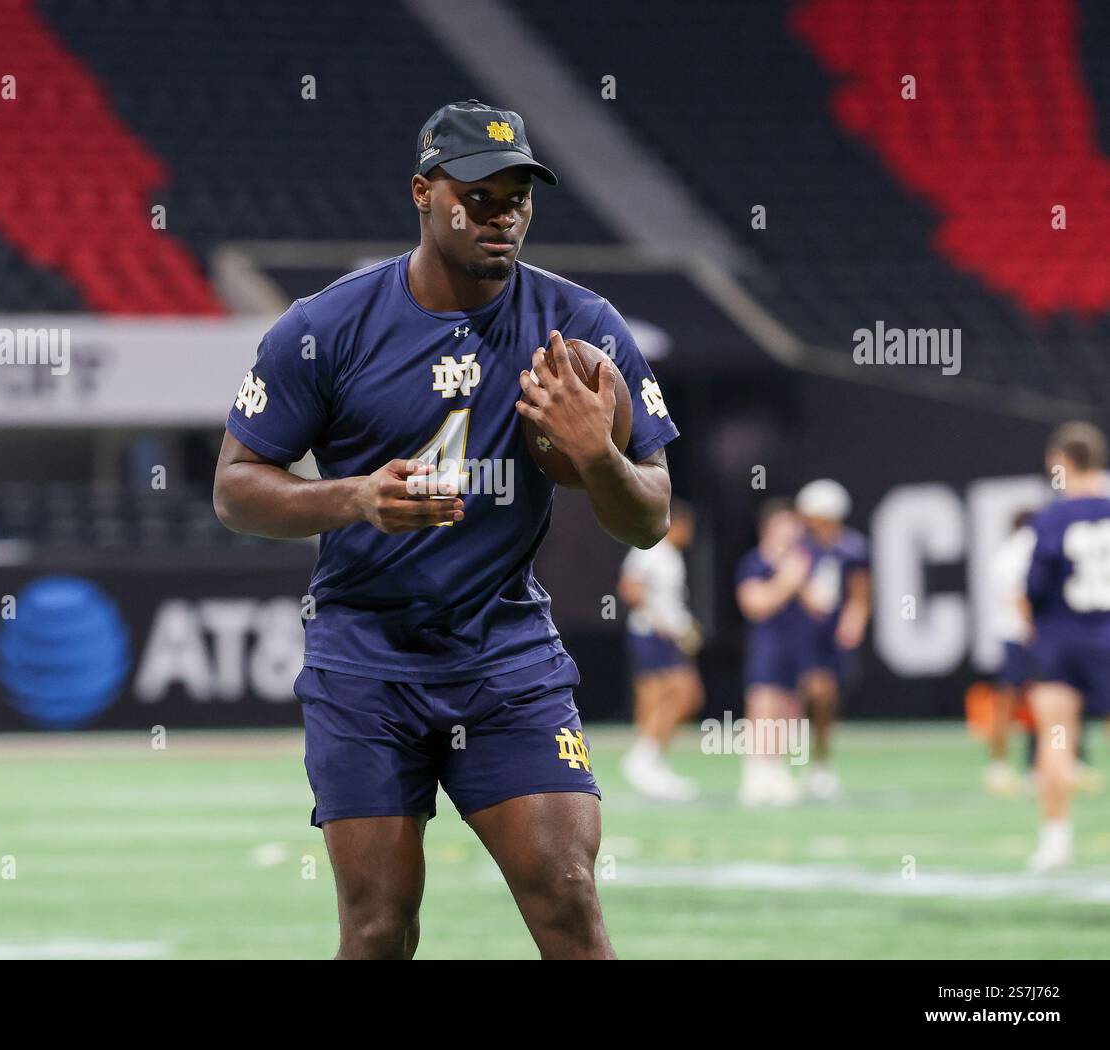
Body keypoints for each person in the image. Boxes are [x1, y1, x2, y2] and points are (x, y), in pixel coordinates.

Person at [213, 99, 679, 957]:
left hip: (506, 657)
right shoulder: (325, 327)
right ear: (424, 194)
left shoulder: (582, 331)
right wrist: (351, 498)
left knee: (570, 904)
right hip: (365, 659)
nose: (504, 216)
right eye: (480, 196)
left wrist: (599, 457)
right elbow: (236, 489)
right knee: (380, 927)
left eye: (519, 197)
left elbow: (648, 518)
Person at [1024, 421, 1110, 871]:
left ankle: (1055, 840)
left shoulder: (1054, 516)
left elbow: (1035, 586)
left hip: (1062, 639)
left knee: (1056, 739)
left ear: (1062, 462)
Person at [617, 499, 704, 801]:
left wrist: (682, 625)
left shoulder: (671, 556)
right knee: (672, 695)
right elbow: (630, 587)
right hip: (651, 634)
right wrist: (663, 621)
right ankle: (644, 761)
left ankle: (650, 760)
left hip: (667, 635)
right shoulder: (650, 549)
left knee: (681, 696)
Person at [794, 479, 870, 800]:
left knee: (826, 695)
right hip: (800, 629)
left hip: (831, 630)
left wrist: (854, 621)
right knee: (805, 692)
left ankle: (820, 762)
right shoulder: (799, 547)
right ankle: (781, 762)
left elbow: (861, 592)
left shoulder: (851, 547)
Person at [735, 500, 812, 806]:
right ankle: (756, 771)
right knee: (764, 705)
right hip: (768, 645)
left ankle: (777, 768)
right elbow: (755, 604)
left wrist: (799, 578)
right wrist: (787, 581)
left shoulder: (801, 561)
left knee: (790, 706)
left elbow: (819, 604)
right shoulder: (755, 562)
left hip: (796, 642)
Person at [985, 509, 1036, 796]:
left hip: (1014, 634)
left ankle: (1010, 764)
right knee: (1019, 699)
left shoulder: (1004, 553)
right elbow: (1018, 596)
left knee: (1022, 699)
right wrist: (1033, 630)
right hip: (1022, 635)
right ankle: (1004, 765)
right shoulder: (1019, 550)